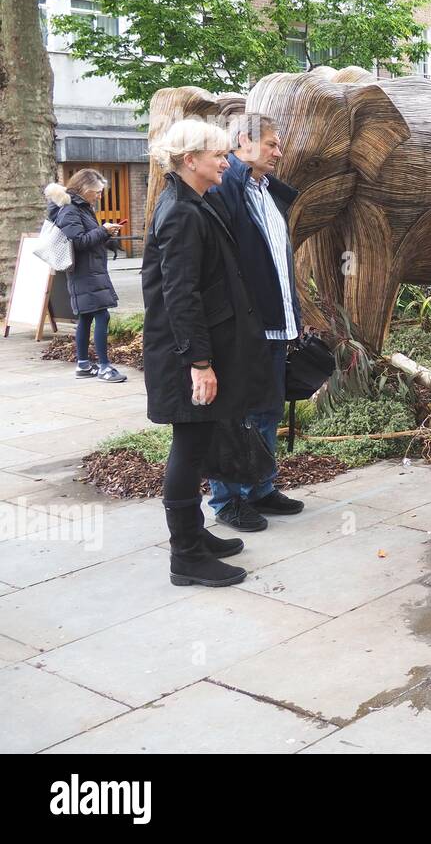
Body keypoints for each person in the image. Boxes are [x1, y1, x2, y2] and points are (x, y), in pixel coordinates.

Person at [141, 119, 272, 587]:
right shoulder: (180, 211)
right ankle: (187, 557)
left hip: (198, 350)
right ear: (189, 159)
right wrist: (199, 363)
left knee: (197, 448)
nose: (226, 160)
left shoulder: (193, 201)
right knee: (189, 448)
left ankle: (195, 536)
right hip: (185, 358)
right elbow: (181, 296)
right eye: (217, 154)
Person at [207, 113, 306, 531]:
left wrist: (296, 317)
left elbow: (279, 263)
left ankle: (261, 488)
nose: (280, 152)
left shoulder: (268, 192)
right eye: (272, 144)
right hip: (244, 329)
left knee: (267, 413)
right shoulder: (227, 189)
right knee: (233, 415)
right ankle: (226, 500)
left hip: (277, 325)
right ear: (245, 144)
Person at [44, 170, 128, 383]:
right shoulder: (71, 209)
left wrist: (106, 234)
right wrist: (103, 231)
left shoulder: (80, 207)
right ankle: (104, 367)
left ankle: (83, 365)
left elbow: (88, 238)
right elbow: (79, 242)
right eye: (97, 192)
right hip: (85, 272)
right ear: (84, 189)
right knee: (101, 316)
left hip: (89, 270)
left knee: (86, 317)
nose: (100, 196)